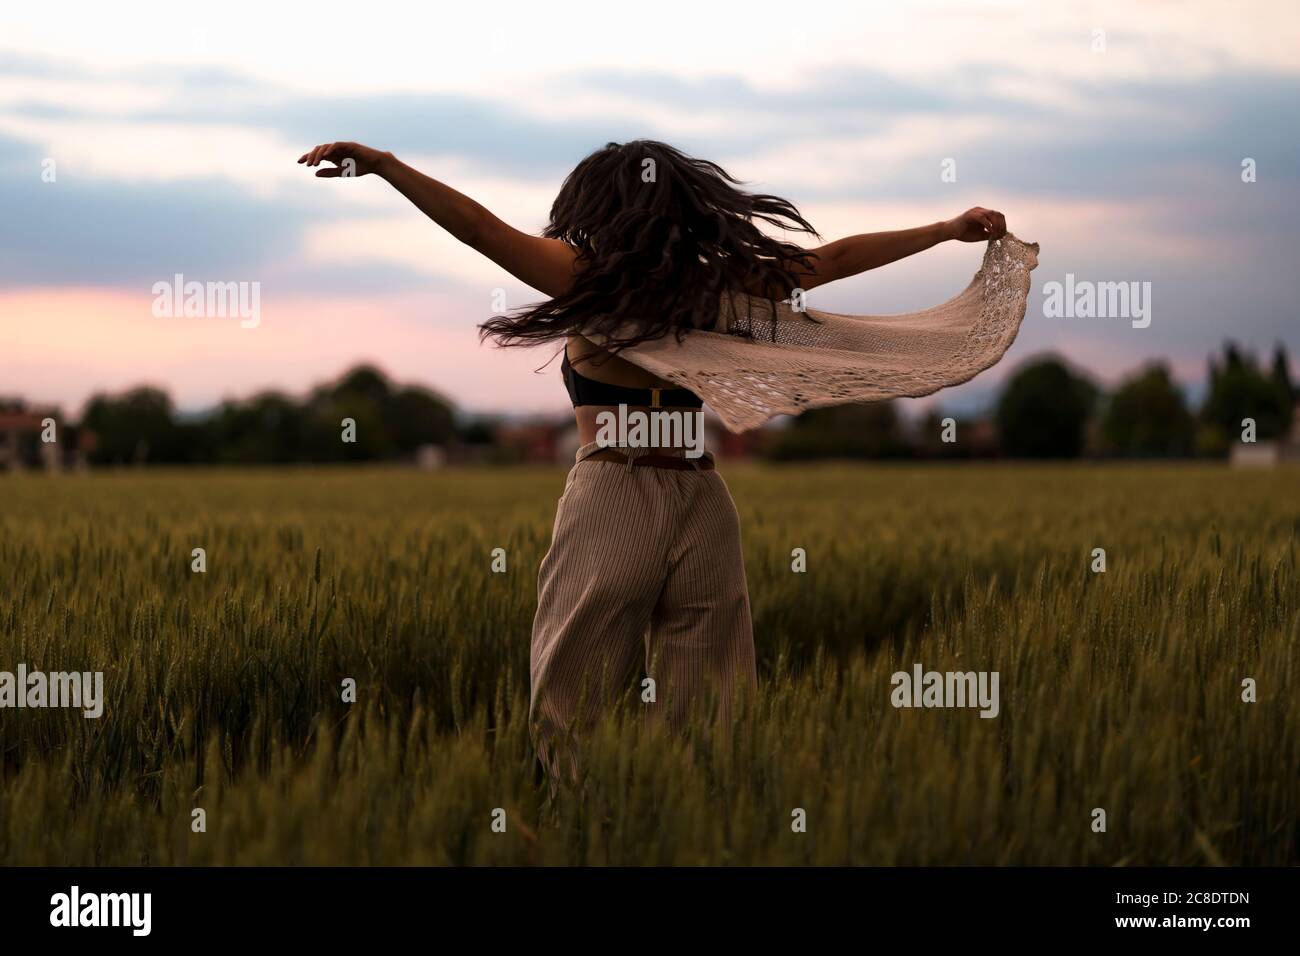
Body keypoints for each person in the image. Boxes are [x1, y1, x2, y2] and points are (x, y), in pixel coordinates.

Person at [298, 138, 1008, 775]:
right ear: (687, 205)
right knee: (714, 705)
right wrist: (944, 230)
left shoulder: (585, 277)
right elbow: (832, 259)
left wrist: (389, 167)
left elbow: (477, 227)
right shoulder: (716, 287)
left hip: (617, 490)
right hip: (701, 492)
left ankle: (581, 826)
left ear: (594, 205)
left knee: (575, 693)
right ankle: (695, 824)